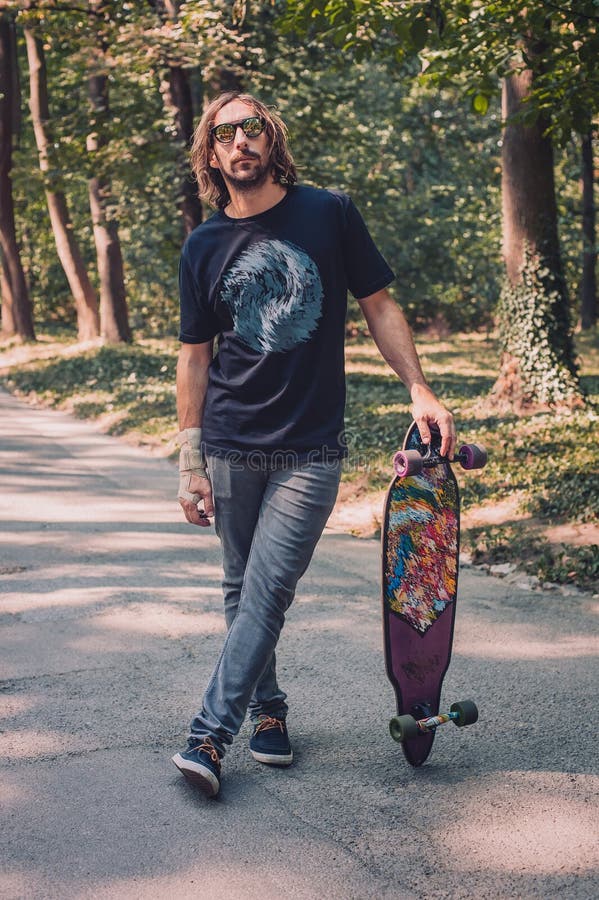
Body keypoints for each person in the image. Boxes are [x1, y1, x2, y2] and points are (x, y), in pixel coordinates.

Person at [171, 91, 456, 797]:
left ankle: (210, 734)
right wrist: (189, 461)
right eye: (225, 132)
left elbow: (380, 306)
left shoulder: (327, 212)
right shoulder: (203, 245)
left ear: (271, 139)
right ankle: (270, 713)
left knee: (267, 590)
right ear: (210, 154)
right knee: (242, 590)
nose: (241, 140)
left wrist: (418, 388)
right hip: (231, 446)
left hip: (308, 450)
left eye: (253, 127)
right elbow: (194, 358)